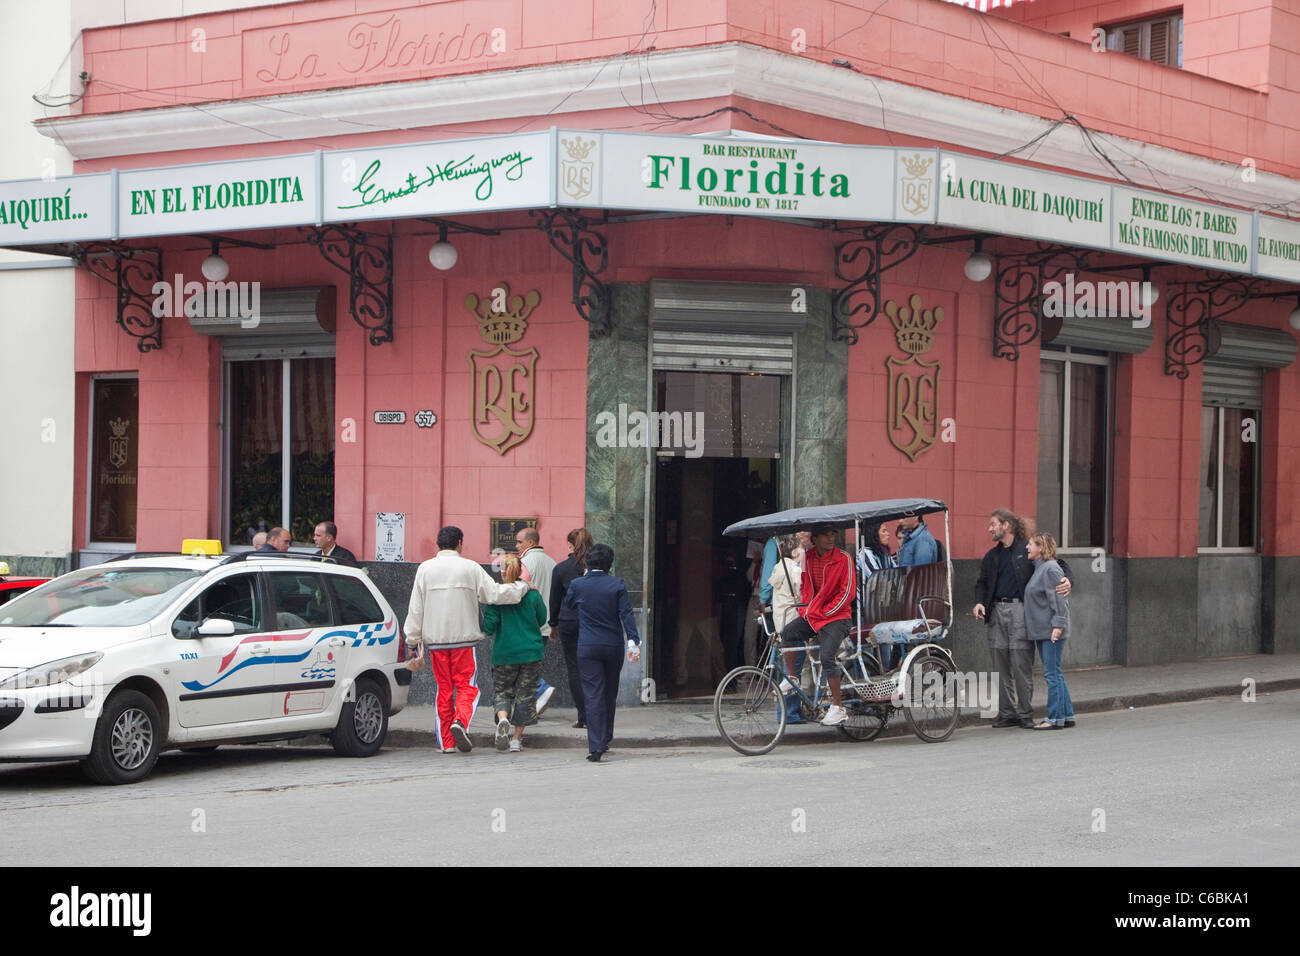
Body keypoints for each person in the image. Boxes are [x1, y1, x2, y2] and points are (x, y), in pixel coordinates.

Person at [404, 526, 528, 754]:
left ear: (438, 544)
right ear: (460, 543)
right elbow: (494, 594)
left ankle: (447, 743)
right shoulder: (470, 567)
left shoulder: (424, 569)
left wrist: (412, 642)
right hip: (463, 641)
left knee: (444, 690)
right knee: (467, 687)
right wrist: (521, 587)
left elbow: (415, 608)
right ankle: (460, 721)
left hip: (436, 642)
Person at [973, 509, 1073, 729]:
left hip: (1020, 611)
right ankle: (1007, 713)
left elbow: (1057, 564)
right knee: (1000, 665)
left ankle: (1024, 713)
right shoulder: (992, 556)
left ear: (1006, 525)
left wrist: (1068, 579)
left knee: (1021, 664)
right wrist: (979, 602)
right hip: (996, 611)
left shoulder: (1027, 549)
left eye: (993, 524)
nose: (989, 529)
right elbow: (982, 582)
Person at [562, 543, 640, 762]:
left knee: (592, 694)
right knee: (609, 692)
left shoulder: (578, 584)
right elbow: (626, 614)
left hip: (588, 646)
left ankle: (595, 746)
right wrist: (633, 641)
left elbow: (569, 604)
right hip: (613, 645)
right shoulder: (617, 584)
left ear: (587, 562)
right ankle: (606, 738)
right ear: (609, 564)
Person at [778, 525, 857, 726]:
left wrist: (825, 612)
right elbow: (805, 587)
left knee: (827, 656)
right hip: (815, 614)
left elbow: (848, 593)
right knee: (787, 633)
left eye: (832, 535)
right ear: (815, 539)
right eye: (825, 536)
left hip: (838, 616)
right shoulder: (808, 558)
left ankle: (838, 707)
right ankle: (792, 678)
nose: (830, 539)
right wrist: (806, 610)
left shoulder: (844, 558)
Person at [483, 554, 549, 752]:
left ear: (502, 572)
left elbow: (488, 627)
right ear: (521, 570)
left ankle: (503, 718)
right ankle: (516, 740)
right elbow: (542, 619)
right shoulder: (533, 595)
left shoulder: (496, 597)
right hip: (531, 653)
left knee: (503, 692)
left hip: (504, 654)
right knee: (526, 695)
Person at [1025, 533, 1075, 730]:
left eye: (1030, 544)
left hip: (1051, 630)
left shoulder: (1050, 569)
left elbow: (1059, 600)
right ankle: (1067, 715)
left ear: (1040, 547)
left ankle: (1054, 718)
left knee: (1052, 674)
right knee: (1055, 673)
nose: (1027, 547)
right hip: (1044, 629)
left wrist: (1058, 626)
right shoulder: (1040, 568)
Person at [549, 528, 593, 729]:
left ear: (569, 545)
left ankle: (583, 716)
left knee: (574, 668)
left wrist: (553, 624)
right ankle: (595, 713)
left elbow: (554, 600)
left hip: (568, 621)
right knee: (592, 668)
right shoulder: (596, 568)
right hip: (592, 622)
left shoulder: (561, 569)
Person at [516, 526, 558, 715]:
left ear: (530, 542)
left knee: (520, 664)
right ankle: (533, 703)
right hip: (546, 624)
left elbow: (517, 593)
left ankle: (542, 689)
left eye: (520, 542)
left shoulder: (523, 563)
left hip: (527, 624)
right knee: (530, 662)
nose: (517, 546)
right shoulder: (552, 563)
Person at [857, 520, 900, 668]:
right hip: (866, 612)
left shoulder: (885, 555)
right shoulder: (864, 554)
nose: (888, 534)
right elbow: (877, 579)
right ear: (874, 534)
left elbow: (897, 574)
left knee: (886, 654)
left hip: (883, 611)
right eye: (883, 531)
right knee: (868, 655)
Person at [716, 542, 752, 674]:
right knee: (728, 638)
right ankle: (730, 669)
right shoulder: (725, 566)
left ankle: (735, 669)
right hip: (728, 602)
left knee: (737, 638)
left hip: (738, 602)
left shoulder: (743, 564)